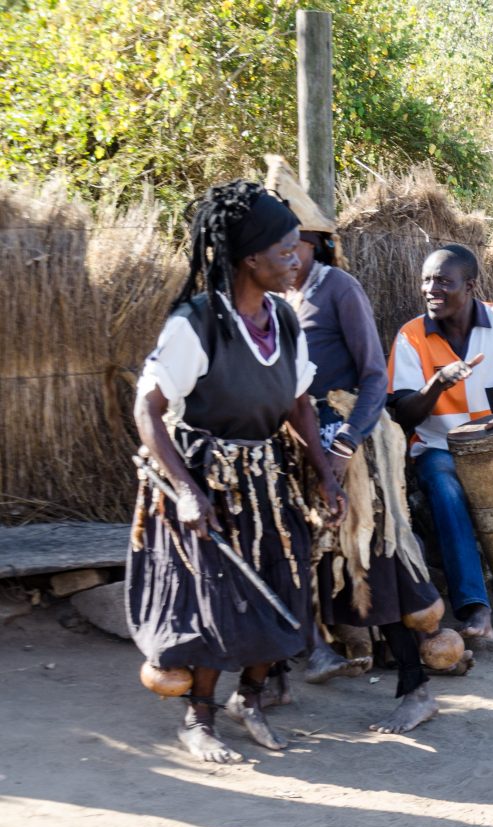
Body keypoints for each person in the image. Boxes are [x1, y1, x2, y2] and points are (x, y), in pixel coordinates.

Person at [128, 179, 346, 764]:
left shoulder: (284, 318)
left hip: (268, 480)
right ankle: (197, 720)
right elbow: (147, 409)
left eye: (299, 247)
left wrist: (326, 475)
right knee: (215, 600)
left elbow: (300, 402)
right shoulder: (196, 324)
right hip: (205, 479)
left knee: (284, 588)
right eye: (285, 250)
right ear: (250, 258)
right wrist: (187, 492)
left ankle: (249, 699)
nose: (298, 259)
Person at [266, 156, 449, 733]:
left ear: (315, 244)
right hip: (299, 440)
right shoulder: (275, 300)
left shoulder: (339, 288)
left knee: (371, 558)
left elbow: (376, 377)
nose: (286, 256)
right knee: (293, 553)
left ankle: (415, 689)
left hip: (352, 441)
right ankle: (273, 677)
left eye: (293, 245)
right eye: (275, 247)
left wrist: (346, 442)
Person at [388, 244, 493, 641]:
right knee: (446, 492)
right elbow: (404, 413)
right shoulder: (412, 336)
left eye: (443, 281)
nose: (432, 289)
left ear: (469, 286)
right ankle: (475, 609)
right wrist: (438, 384)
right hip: (438, 450)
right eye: (427, 281)